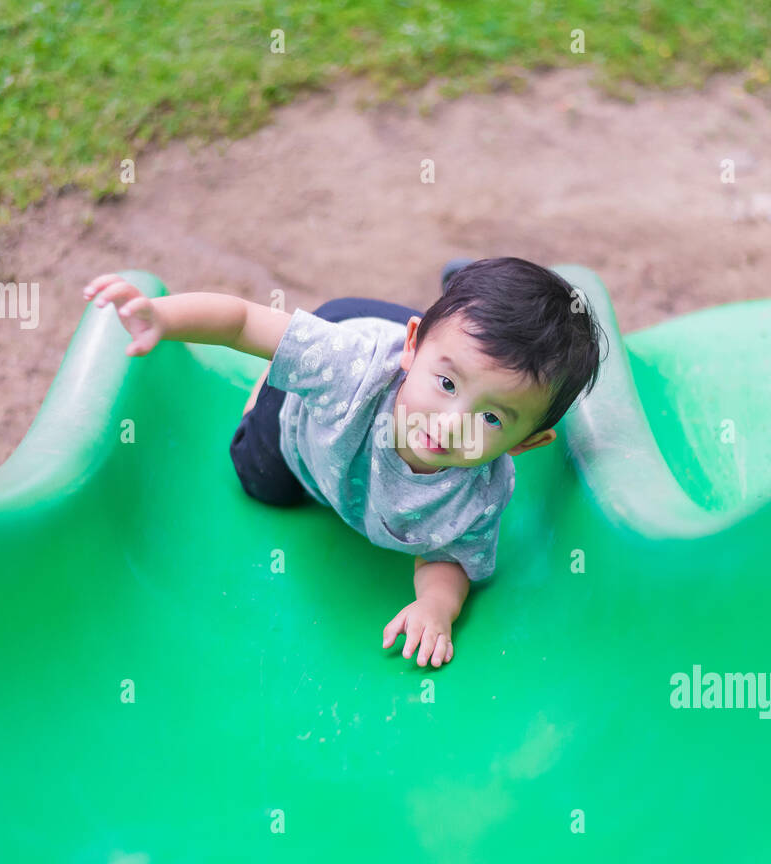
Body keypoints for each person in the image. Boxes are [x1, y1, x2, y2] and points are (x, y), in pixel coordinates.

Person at [82, 257, 606, 669]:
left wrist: (436, 609)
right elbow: (243, 322)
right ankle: (274, 384)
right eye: (445, 385)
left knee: (472, 351)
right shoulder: (344, 366)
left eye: (492, 418)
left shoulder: (481, 494)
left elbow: (450, 556)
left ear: (527, 442)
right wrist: (162, 316)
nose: (449, 424)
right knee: (259, 480)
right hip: (334, 365)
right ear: (413, 349)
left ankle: (455, 302)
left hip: (412, 342)